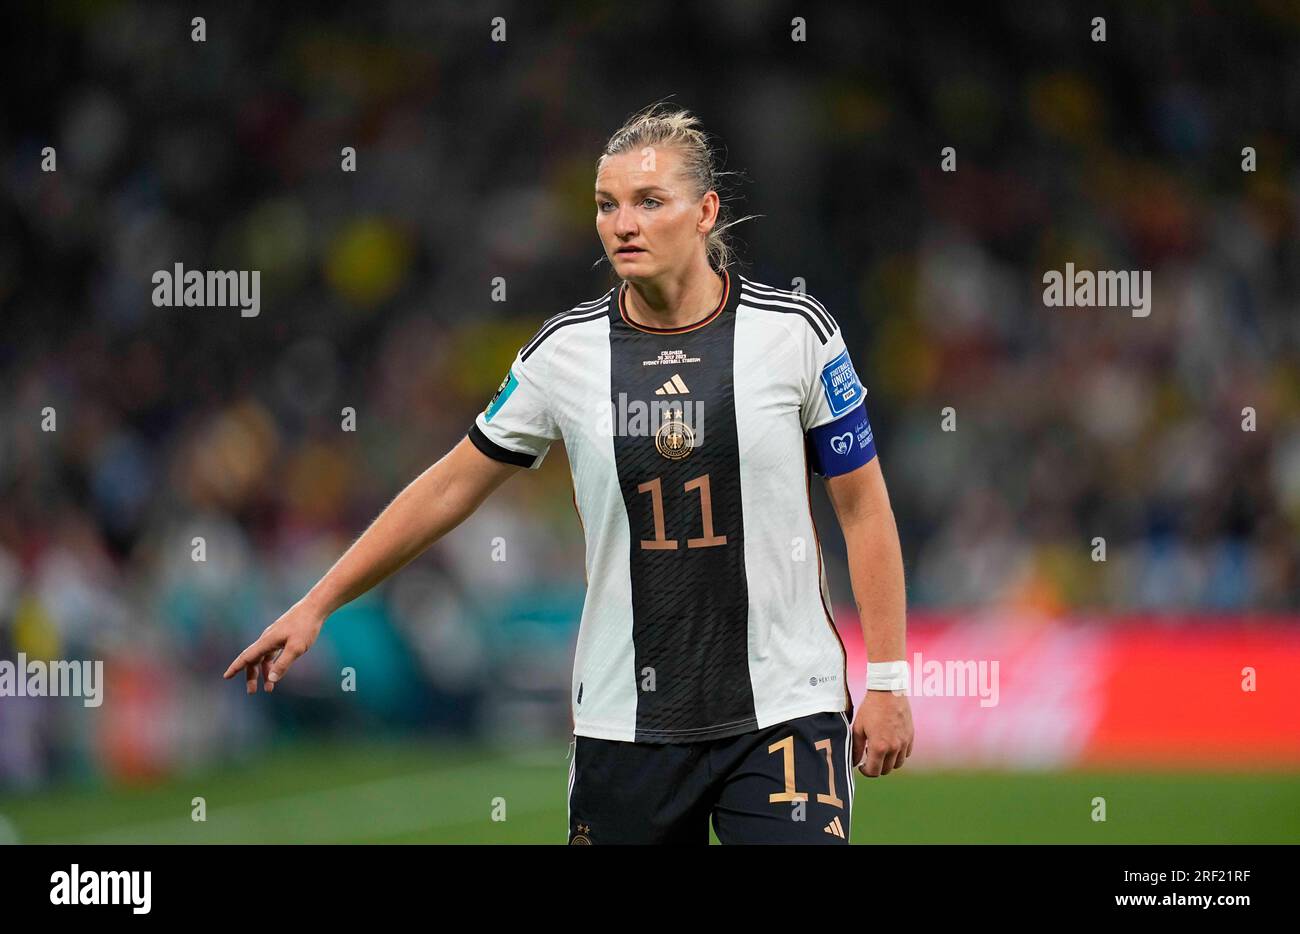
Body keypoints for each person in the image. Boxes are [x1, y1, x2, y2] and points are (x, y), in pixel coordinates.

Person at [223, 102, 913, 844]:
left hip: (783, 704)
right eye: (607, 205)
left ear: (705, 211)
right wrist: (316, 604)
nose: (623, 223)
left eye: (650, 202)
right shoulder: (565, 355)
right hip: (628, 715)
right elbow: (451, 487)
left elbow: (863, 507)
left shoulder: (796, 334)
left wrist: (889, 680)